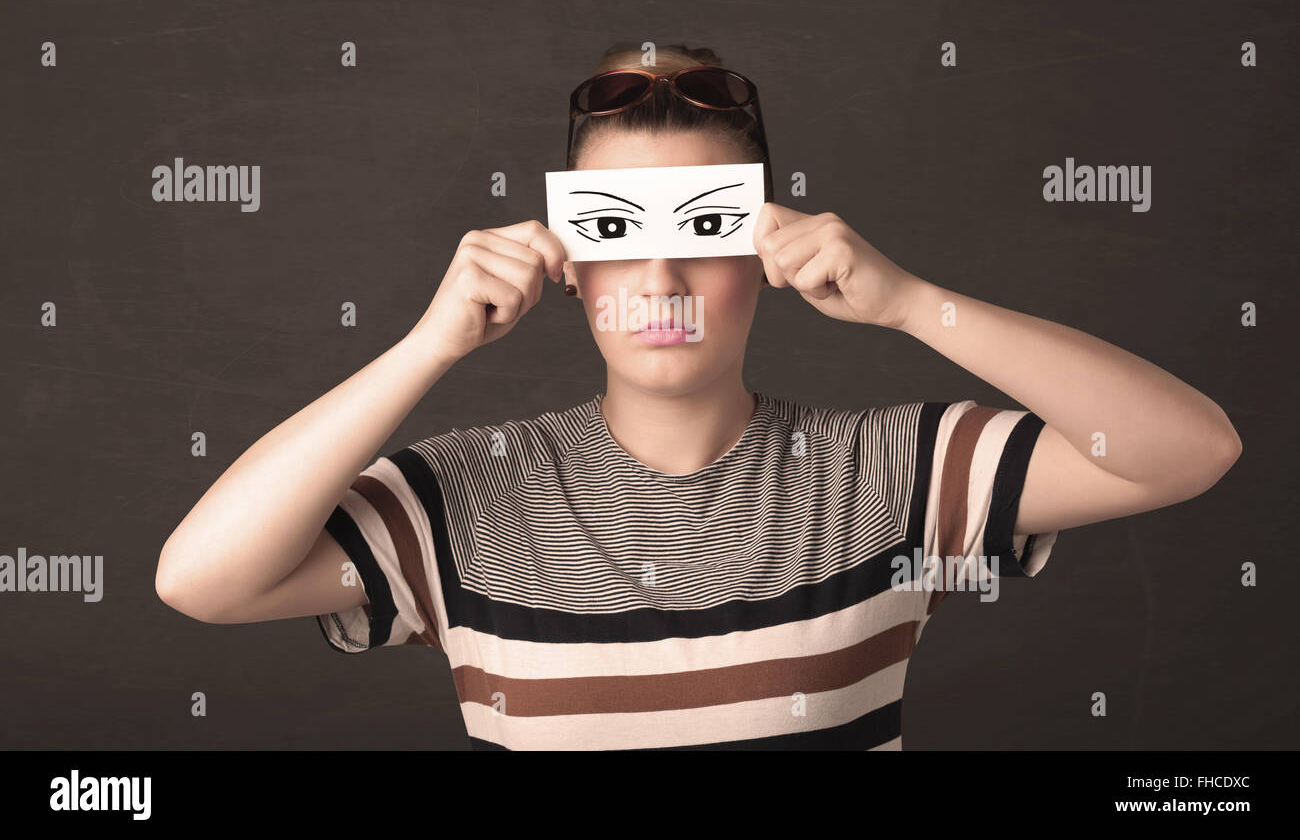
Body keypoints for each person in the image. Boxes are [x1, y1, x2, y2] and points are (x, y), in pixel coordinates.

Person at [155, 42, 1242, 750]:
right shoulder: (466, 498)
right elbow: (200, 579)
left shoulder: (897, 477)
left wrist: (911, 302)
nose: (662, 281)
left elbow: (1187, 448)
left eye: (703, 234)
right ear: (568, 262)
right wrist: (424, 347)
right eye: (619, 238)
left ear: (768, 249)